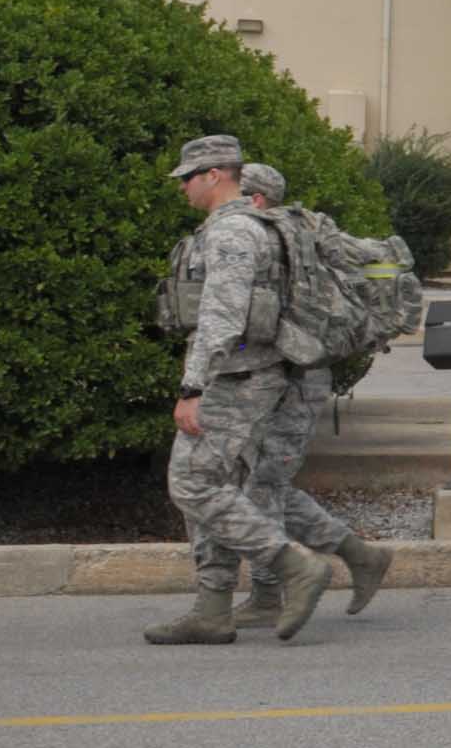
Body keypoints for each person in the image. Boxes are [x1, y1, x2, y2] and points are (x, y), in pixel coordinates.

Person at [143, 135, 335, 647]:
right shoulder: (246, 228)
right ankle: (212, 609)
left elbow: (222, 319)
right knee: (211, 489)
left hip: (235, 379)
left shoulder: (233, 234)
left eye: (188, 176)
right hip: (250, 375)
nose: (182, 186)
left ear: (214, 175)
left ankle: (293, 565)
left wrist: (192, 387)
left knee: (191, 483)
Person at [219, 163, 395, 628]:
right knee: (265, 482)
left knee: (263, 485)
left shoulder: (282, 236)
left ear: (255, 199)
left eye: (240, 195)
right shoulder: (303, 231)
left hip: (296, 376)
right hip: (280, 373)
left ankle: (267, 594)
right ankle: (360, 556)